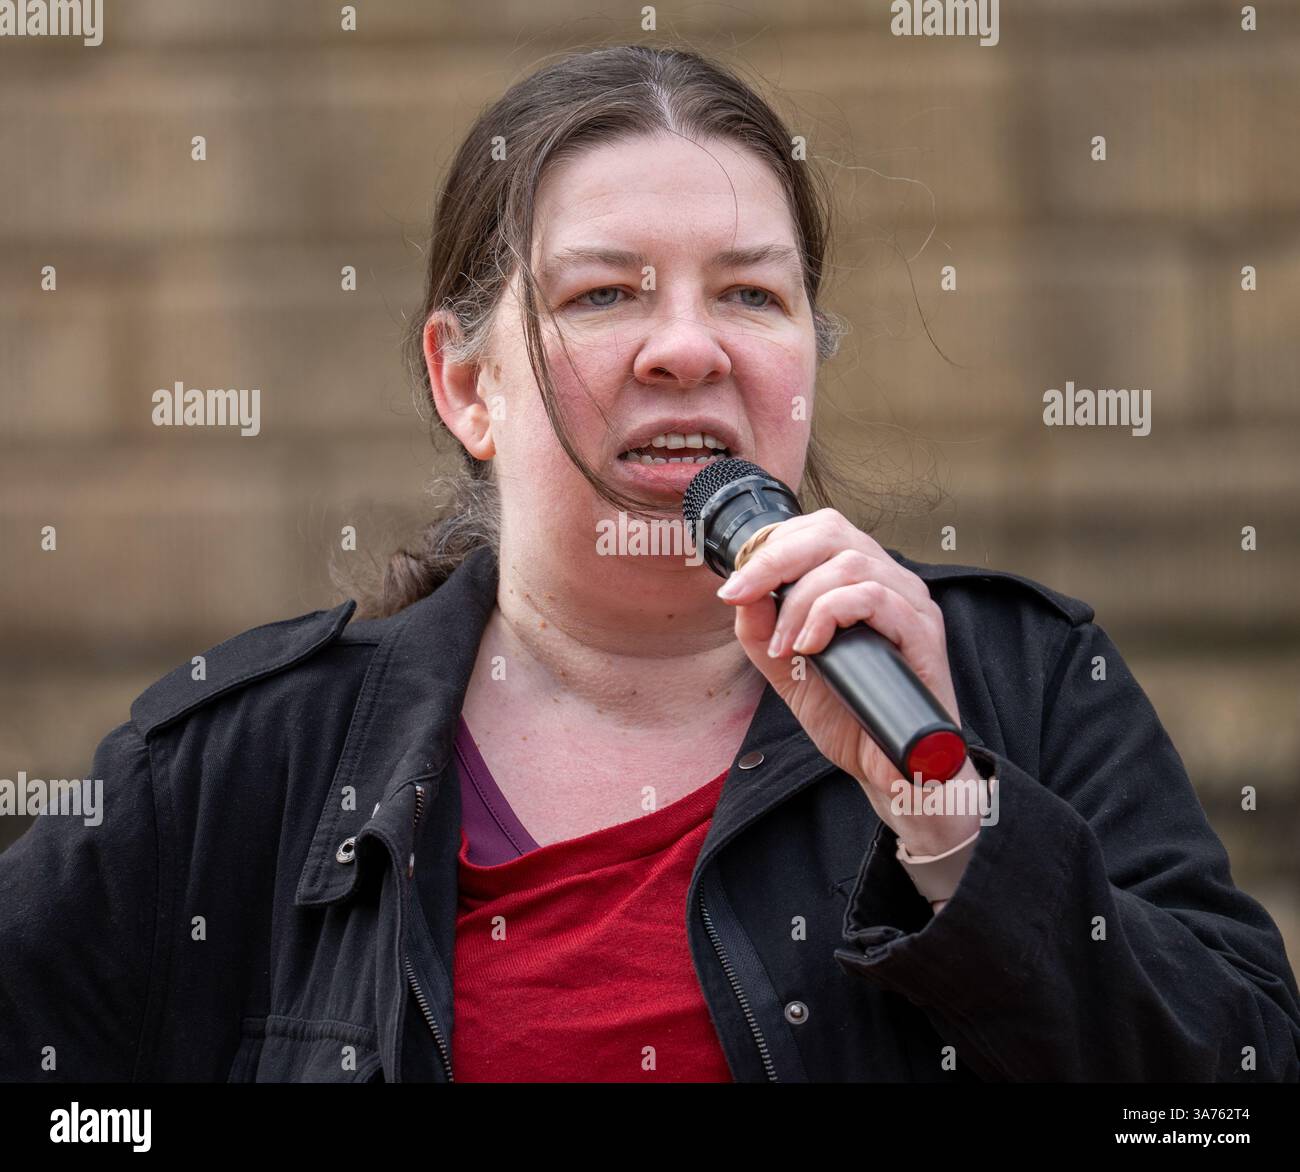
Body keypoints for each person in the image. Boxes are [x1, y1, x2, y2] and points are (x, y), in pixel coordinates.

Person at [1, 44, 1297, 1084]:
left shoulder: (1019, 682)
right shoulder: (245, 762)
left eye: (749, 294)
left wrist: (958, 833)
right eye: (605, 295)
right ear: (466, 384)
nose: (690, 349)